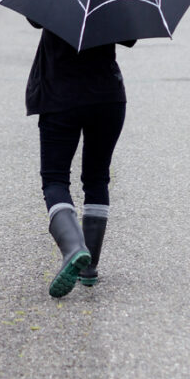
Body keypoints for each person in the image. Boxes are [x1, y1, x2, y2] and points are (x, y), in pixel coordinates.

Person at [26, 21, 135, 298]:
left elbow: (34, 18)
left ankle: (74, 248)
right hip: (108, 98)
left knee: (55, 179)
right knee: (97, 178)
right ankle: (89, 268)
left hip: (60, 99)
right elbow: (130, 37)